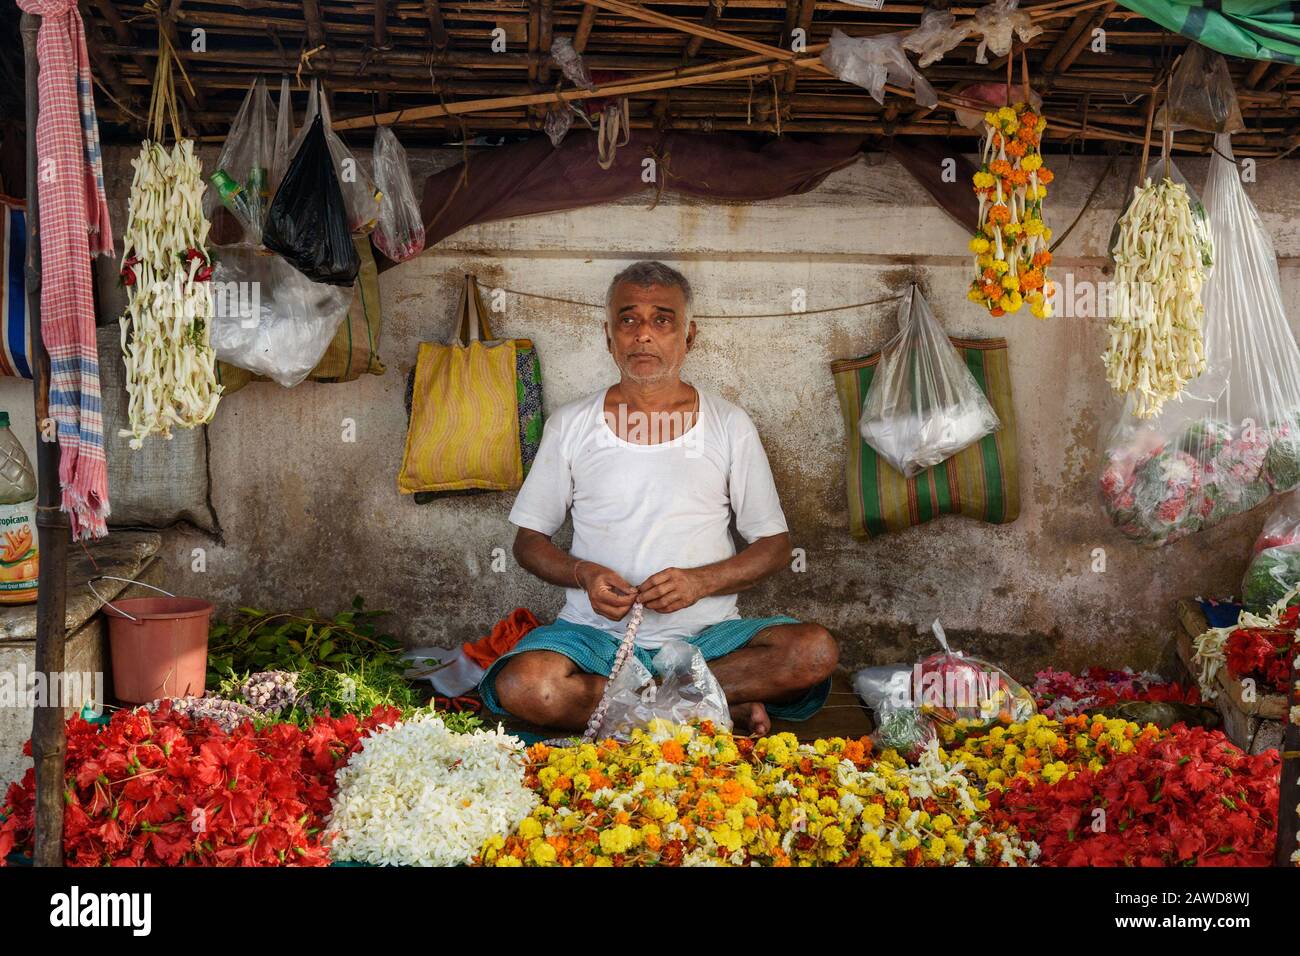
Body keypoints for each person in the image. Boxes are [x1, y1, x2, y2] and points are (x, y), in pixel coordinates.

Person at [480, 261, 837, 735]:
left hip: (708, 640)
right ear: (610, 337)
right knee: (528, 687)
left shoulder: (729, 424)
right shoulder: (571, 424)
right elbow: (529, 541)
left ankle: (646, 706)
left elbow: (774, 545)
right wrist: (582, 573)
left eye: (662, 319)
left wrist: (701, 582)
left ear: (689, 337)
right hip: (595, 639)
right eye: (628, 320)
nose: (643, 335)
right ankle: (703, 704)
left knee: (812, 652)